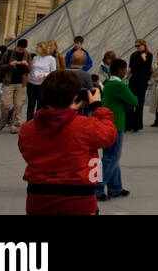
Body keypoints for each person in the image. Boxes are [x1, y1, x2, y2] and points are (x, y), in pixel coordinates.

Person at [17, 70, 117, 215]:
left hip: (38, 197)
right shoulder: (84, 126)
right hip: (78, 198)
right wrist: (97, 107)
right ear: (74, 96)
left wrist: (66, 113)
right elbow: (108, 134)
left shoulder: (27, 129)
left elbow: (27, 151)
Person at [98, 58, 138, 200]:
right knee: (113, 156)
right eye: (125, 68)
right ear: (119, 70)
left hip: (106, 123)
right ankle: (98, 187)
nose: (126, 71)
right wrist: (123, 107)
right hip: (116, 123)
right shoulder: (120, 85)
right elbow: (134, 101)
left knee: (109, 155)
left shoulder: (108, 83)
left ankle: (115, 187)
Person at [0, 40, 31, 134]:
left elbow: (30, 69)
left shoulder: (27, 55)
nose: (21, 50)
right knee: (5, 104)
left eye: (23, 49)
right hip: (9, 82)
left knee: (18, 105)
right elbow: (1, 66)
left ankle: (14, 125)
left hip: (21, 83)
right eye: (19, 48)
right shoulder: (8, 53)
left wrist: (27, 65)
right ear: (17, 46)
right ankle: (2, 123)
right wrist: (10, 65)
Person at [26, 41, 56, 120]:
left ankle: (37, 121)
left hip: (42, 84)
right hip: (32, 83)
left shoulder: (51, 59)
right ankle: (29, 121)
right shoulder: (35, 58)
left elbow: (53, 72)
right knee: (31, 104)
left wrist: (44, 75)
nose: (37, 49)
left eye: (38, 47)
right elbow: (32, 69)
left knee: (40, 104)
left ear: (43, 48)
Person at [127, 39, 152, 133]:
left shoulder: (149, 55)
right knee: (130, 100)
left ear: (144, 45)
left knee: (139, 102)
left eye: (138, 46)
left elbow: (147, 68)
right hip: (133, 79)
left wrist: (144, 59)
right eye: (136, 46)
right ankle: (129, 124)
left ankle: (137, 125)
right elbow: (130, 67)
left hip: (142, 80)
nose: (137, 48)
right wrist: (126, 74)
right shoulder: (133, 55)